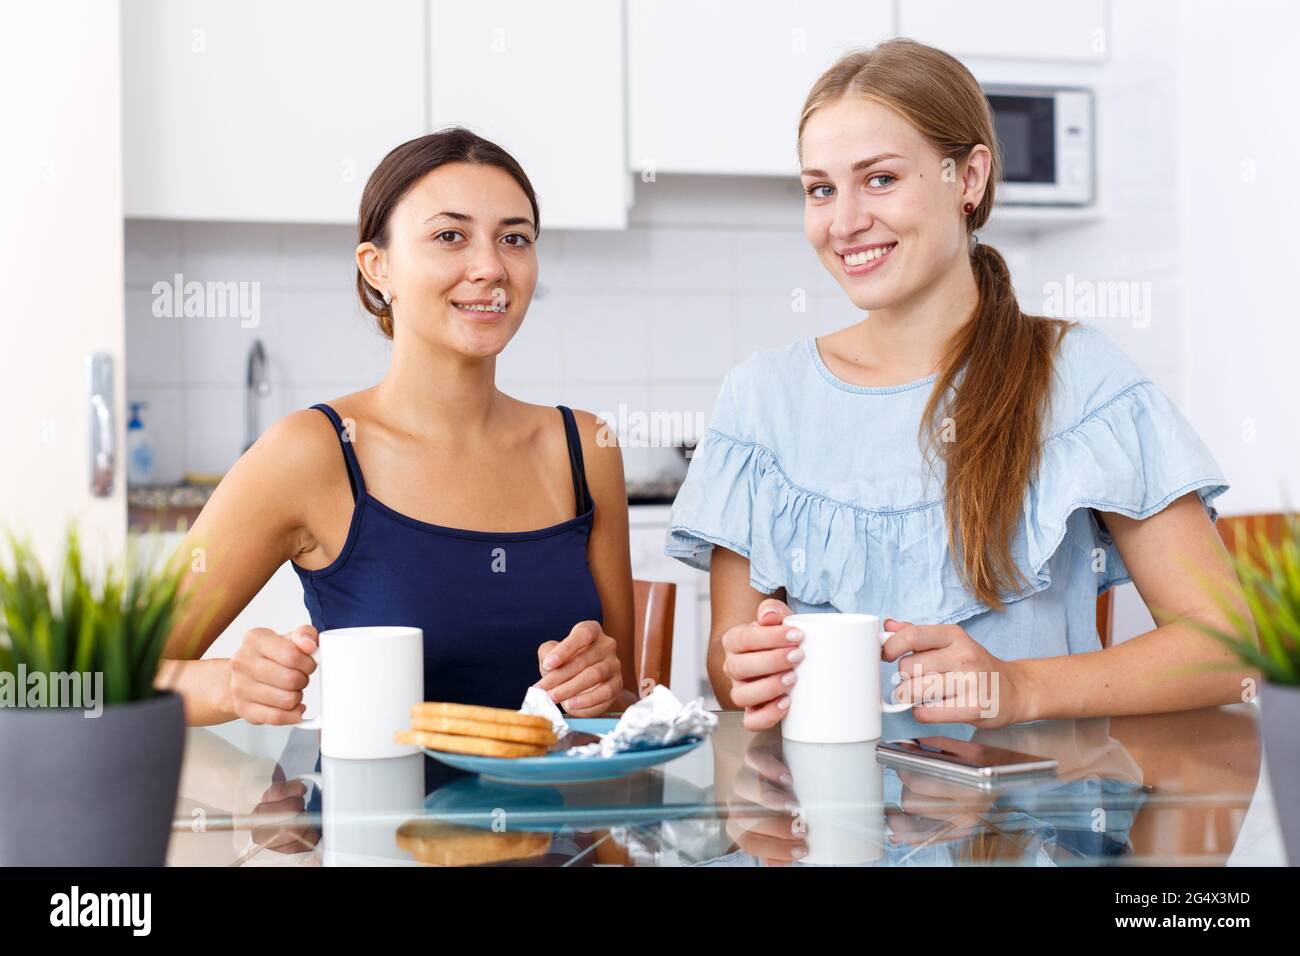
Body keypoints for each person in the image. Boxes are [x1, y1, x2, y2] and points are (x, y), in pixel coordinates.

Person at [667, 39, 1255, 731]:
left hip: (1032, 827)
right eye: (821, 189)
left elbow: (1229, 651)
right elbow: (728, 667)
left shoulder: (1078, 377)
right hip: (826, 829)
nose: (845, 221)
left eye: (880, 179)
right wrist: (746, 668)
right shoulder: (761, 398)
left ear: (967, 178)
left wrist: (1020, 688)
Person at [157, 128, 636, 725]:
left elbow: (625, 706)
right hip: (371, 817)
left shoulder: (585, 449)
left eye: (514, 238)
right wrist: (232, 686)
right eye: (449, 236)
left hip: (553, 820)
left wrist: (605, 686)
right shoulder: (310, 453)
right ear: (377, 266)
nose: (489, 266)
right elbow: (116, 673)